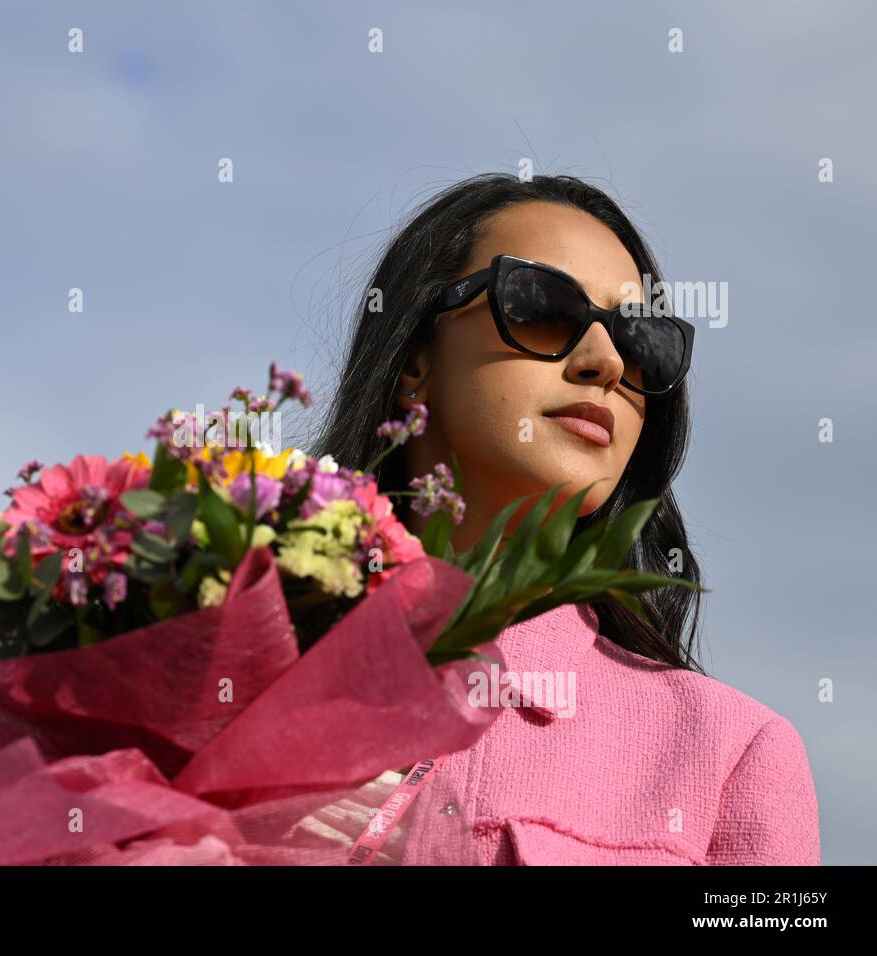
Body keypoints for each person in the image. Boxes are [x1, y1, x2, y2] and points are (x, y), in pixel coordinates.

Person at [304, 172, 820, 865]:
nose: (606, 362)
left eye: (640, 340)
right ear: (415, 362)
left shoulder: (731, 754)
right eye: (541, 306)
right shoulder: (229, 659)